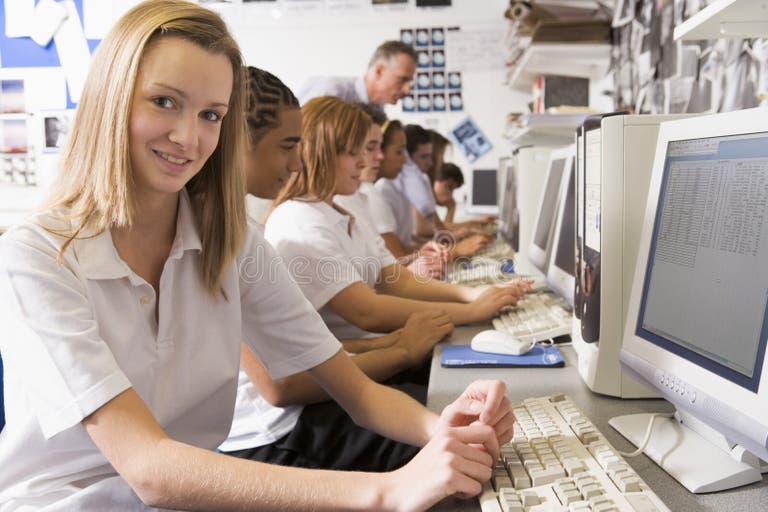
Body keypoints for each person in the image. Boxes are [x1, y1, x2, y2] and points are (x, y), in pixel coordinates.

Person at [0, 3, 515, 510]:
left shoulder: (232, 241)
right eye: (163, 101)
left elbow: (356, 392)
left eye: (210, 115)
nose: (189, 137)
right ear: (110, 99)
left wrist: (444, 429)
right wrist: (389, 490)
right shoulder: (39, 255)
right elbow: (149, 469)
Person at [221, 66, 451, 471]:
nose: (296, 162)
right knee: (446, 448)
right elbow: (284, 385)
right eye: (362, 150)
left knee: (446, 412)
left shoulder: (246, 234)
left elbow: (318, 351)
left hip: (297, 410)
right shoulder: (284, 226)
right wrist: (403, 346)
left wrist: (400, 347)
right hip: (269, 433)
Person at [265, 96, 530, 342]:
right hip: (355, 368)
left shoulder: (342, 210)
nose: (365, 161)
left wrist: (471, 295)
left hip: (379, 349)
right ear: (322, 152)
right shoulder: (300, 222)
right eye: (354, 152)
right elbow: (368, 313)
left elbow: (396, 279)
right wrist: (471, 312)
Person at [335, 105, 447, 279]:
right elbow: (389, 271)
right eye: (370, 148)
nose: (379, 156)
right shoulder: (372, 193)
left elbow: (385, 267)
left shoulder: (362, 195)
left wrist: (420, 254)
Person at [376, 121, 491, 262]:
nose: (432, 163)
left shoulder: (404, 190)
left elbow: (407, 246)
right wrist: (453, 250)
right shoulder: (383, 191)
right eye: (399, 152)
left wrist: (444, 247)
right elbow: (398, 258)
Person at [297, 40, 417, 113]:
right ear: (379, 71)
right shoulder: (333, 91)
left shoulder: (377, 110)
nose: (407, 90)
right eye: (402, 80)